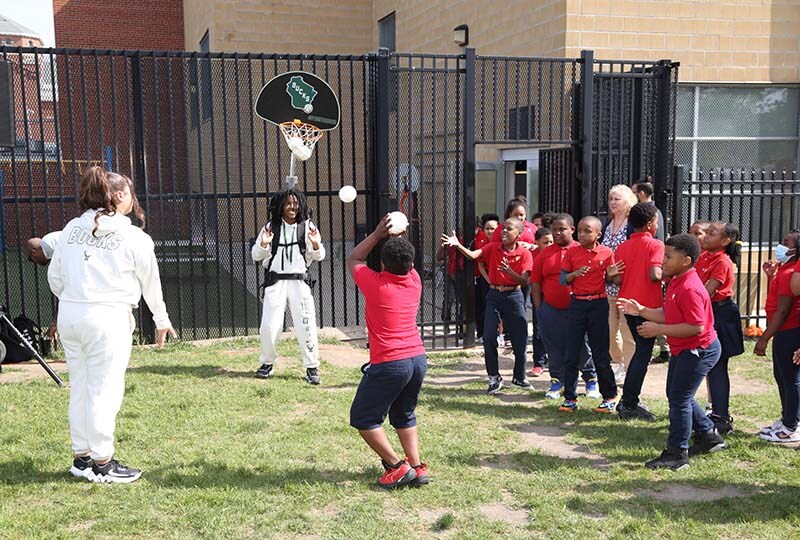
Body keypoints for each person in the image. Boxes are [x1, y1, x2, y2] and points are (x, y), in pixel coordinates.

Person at [47, 166, 176, 483]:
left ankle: (82, 458)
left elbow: (56, 278)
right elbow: (150, 283)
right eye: (130, 192)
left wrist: (75, 298)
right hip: (108, 317)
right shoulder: (133, 236)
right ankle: (103, 462)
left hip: (72, 315)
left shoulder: (71, 229)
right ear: (119, 196)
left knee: (81, 387)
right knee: (104, 390)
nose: (133, 198)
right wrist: (161, 319)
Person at [619, 234, 725, 471]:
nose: (662, 260)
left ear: (686, 260)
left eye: (668, 256)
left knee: (679, 398)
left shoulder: (689, 287)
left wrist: (659, 329)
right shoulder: (677, 280)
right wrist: (642, 310)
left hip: (698, 350)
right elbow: (670, 314)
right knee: (678, 395)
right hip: (685, 349)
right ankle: (708, 436)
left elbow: (696, 326)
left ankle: (677, 454)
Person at [346, 214, 428, 489]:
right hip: (417, 359)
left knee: (363, 417)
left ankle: (397, 466)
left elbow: (354, 259)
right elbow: (402, 258)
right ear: (411, 264)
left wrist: (379, 233)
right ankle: (417, 466)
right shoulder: (415, 280)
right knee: (404, 414)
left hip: (391, 362)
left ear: (382, 265)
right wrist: (396, 235)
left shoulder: (376, 284)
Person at [442, 218, 533, 394]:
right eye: (503, 228)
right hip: (494, 295)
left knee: (520, 340)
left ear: (519, 234)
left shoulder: (524, 254)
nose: (504, 231)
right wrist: (457, 245)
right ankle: (494, 377)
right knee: (489, 337)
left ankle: (519, 377)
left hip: (514, 295)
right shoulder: (493, 248)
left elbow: (524, 280)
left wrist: (509, 271)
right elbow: (473, 255)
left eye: (509, 229)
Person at [252, 187, 325, 385]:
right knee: (269, 325)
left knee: (306, 323)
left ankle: (311, 366)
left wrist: (316, 244)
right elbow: (255, 255)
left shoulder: (308, 226)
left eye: (295, 203)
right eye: (288, 203)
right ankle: (267, 363)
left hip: (299, 283)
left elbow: (320, 256)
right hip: (275, 282)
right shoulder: (270, 227)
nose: (292, 207)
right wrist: (264, 244)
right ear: (281, 206)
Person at [530, 214, 600, 400]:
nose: (558, 233)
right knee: (554, 346)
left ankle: (590, 380)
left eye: (562, 229)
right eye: (555, 230)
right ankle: (556, 381)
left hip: (579, 307)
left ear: (572, 229)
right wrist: (540, 308)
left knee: (582, 345)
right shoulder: (544, 253)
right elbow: (535, 282)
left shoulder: (581, 250)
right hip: (551, 309)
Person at [609, 203, 664, 421]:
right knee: (643, 353)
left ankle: (629, 400)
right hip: (646, 306)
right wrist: (670, 273)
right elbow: (655, 274)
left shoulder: (623, 246)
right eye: (657, 221)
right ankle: (629, 402)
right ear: (650, 224)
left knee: (641, 352)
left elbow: (618, 278)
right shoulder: (655, 245)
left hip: (627, 304)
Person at [558, 216, 619, 413]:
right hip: (577, 304)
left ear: (598, 234)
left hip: (599, 304)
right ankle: (570, 398)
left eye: (588, 231)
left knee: (601, 353)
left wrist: (611, 274)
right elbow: (562, 280)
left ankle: (609, 397)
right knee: (571, 353)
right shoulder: (572, 253)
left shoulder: (606, 253)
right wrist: (574, 275)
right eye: (580, 231)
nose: (582, 235)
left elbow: (613, 281)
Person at [696, 221, 744, 434]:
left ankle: (721, 417)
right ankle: (715, 412)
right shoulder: (704, 256)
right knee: (710, 366)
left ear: (725, 241)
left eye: (711, 233)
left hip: (720, 314)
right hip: (708, 312)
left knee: (717, 366)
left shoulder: (723, 261)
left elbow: (707, 291)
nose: (705, 236)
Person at [754, 230, 800, 442]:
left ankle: (791, 426)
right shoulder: (786, 269)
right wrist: (772, 276)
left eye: (786, 243)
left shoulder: (792, 273)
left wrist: (764, 337)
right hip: (783, 332)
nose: (780, 246)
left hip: (789, 331)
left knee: (790, 379)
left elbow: (782, 311)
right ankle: (787, 417)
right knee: (781, 377)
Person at [601, 185, 638, 385]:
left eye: (617, 199)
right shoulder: (609, 223)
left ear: (628, 201)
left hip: (626, 285)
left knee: (627, 329)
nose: (613, 203)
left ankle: (630, 368)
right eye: (611, 199)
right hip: (608, 284)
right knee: (609, 328)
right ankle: (619, 361)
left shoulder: (631, 224)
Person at [25, 231, 62, 346]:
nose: (34, 262)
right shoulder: (52, 245)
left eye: (31, 259)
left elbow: (65, 292)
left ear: (34, 251)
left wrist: (55, 323)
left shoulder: (51, 244)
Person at [474, 213, 499, 344]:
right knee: (485, 306)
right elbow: (479, 262)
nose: (490, 231)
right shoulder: (481, 242)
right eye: (488, 228)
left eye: (493, 228)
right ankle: (483, 333)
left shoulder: (502, 242)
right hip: (485, 277)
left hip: (500, 278)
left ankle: (500, 333)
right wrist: (488, 279)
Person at [435, 230, 465, 335]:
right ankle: (446, 321)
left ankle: (461, 327)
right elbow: (438, 258)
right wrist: (442, 246)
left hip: (463, 275)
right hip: (450, 273)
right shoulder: (451, 243)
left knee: (464, 302)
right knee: (449, 300)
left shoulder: (469, 243)